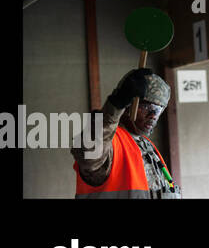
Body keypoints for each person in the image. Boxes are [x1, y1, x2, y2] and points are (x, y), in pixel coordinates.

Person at [71, 69, 179, 198]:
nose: (153, 115)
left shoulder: (146, 146)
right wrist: (115, 105)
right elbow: (89, 155)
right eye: (147, 107)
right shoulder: (112, 142)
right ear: (128, 106)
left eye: (158, 109)